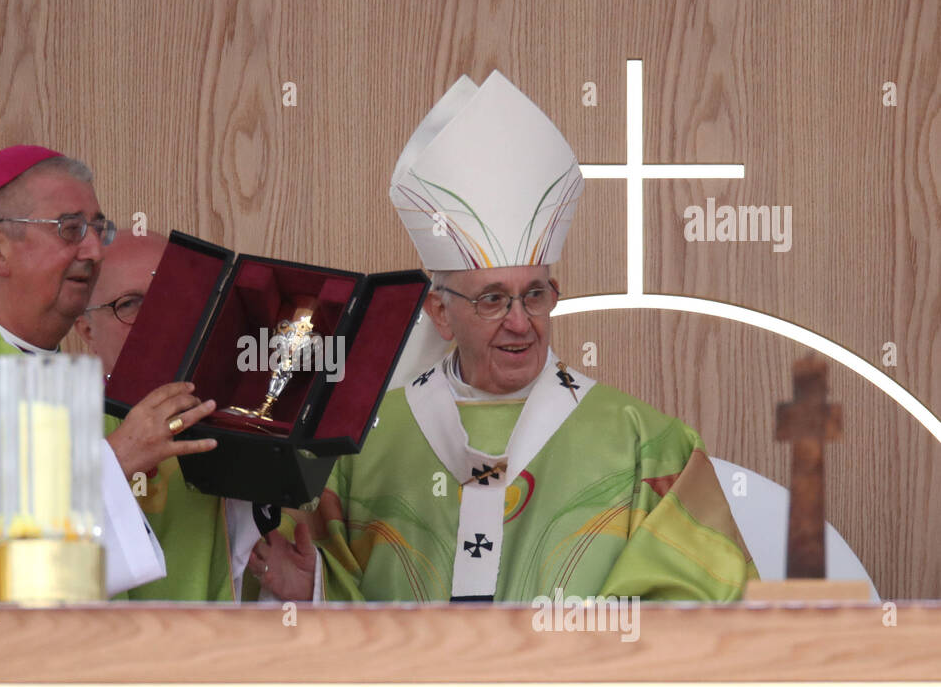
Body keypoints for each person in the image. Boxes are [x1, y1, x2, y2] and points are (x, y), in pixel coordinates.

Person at [249, 72, 758, 602]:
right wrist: (312, 590)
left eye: (534, 294)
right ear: (440, 313)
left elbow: (712, 607)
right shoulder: (361, 445)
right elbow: (316, 595)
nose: (520, 322)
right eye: (492, 299)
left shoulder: (648, 448)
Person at [0, 145, 218, 600]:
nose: (94, 250)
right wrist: (113, 463)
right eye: (70, 230)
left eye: (98, 230)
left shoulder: (96, 396)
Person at [72, 230, 261, 601]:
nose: (158, 320)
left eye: (170, 299)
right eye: (130, 304)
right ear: (86, 330)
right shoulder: (58, 429)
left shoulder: (240, 409)